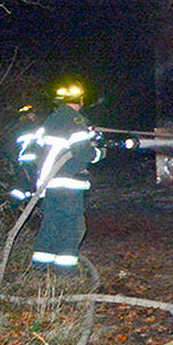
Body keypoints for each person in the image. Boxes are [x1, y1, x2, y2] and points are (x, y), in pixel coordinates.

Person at [11, 82, 104, 274]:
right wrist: (99, 151)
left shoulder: (52, 120)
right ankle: (66, 273)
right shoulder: (75, 121)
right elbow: (82, 154)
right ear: (80, 100)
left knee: (51, 225)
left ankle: (40, 267)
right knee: (72, 226)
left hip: (50, 184)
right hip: (68, 184)